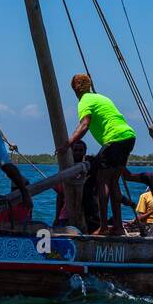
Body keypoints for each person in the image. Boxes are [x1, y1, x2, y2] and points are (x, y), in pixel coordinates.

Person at [58, 75, 136, 237]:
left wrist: (68, 143)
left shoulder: (84, 101)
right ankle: (118, 227)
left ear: (75, 89)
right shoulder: (101, 97)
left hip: (114, 139)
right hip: (128, 136)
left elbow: (85, 124)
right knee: (114, 181)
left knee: (102, 181)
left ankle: (104, 228)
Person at [54, 139, 89, 228]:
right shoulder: (66, 170)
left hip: (85, 214)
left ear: (85, 152)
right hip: (66, 215)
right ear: (71, 151)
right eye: (75, 150)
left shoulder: (88, 169)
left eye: (81, 150)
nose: (78, 153)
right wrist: (57, 217)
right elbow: (60, 196)